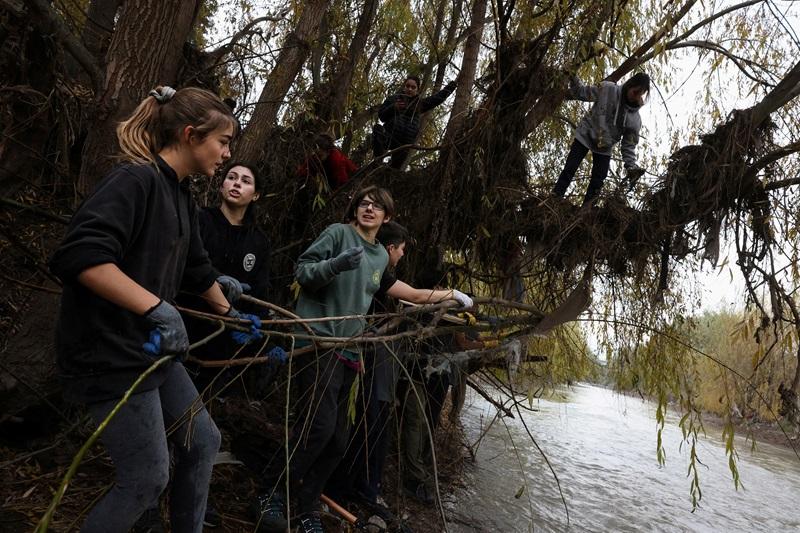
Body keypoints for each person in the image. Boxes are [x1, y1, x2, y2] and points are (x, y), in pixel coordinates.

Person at [48, 85, 260, 533]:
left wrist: (230, 315)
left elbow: (198, 270)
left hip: (150, 353)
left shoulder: (181, 195)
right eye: (223, 142)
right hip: (108, 352)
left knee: (203, 441)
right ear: (190, 135)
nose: (226, 155)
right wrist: (158, 309)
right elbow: (81, 257)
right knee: (146, 478)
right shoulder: (135, 180)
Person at [253, 190, 472, 532]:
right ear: (355, 210)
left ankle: (306, 505)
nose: (369, 208)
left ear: (387, 217)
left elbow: (411, 294)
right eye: (363, 203)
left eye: (377, 205)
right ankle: (271, 491)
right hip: (317, 343)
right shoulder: (337, 234)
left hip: (349, 353)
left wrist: (452, 296)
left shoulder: (379, 258)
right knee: (318, 427)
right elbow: (303, 271)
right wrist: (335, 265)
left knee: (339, 440)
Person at [552, 72, 650, 205]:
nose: (636, 97)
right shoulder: (607, 88)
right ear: (629, 85)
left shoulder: (634, 120)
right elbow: (582, 92)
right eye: (635, 92)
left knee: (598, 181)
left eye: (640, 94)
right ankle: (554, 199)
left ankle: (587, 211)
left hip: (605, 146)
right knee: (570, 168)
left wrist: (631, 166)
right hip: (586, 134)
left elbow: (629, 145)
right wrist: (572, 74)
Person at [372, 76, 457, 168]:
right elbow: (381, 116)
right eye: (407, 86)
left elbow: (437, 98)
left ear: (417, 90)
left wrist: (452, 85)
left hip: (404, 145)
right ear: (404, 87)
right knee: (377, 129)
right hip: (389, 138)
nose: (410, 89)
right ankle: (378, 163)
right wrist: (393, 108)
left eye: (413, 87)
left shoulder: (419, 104)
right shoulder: (393, 99)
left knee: (393, 171)